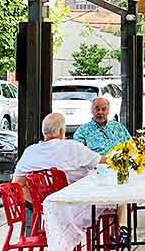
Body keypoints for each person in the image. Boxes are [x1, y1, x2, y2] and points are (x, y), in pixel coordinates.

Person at [73, 97, 132, 242]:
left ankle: (118, 231)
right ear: (91, 111)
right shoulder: (83, 131)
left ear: (109, 110)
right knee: (122, 191)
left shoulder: (118, 127)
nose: (100, 112)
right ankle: (121, 231)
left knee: (126, 188)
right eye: (97, 109)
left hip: (119, 171)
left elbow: (131, 148)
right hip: (97, 176)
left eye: (103, 109)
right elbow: (79, 156)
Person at [13, 113, 106, 204]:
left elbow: (17, 184)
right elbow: (102, 162)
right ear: (61, 131)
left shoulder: (30, 151)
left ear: (44, 132)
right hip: (79, 203)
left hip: (49, 207)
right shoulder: (73, 147)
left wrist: (43, 204)